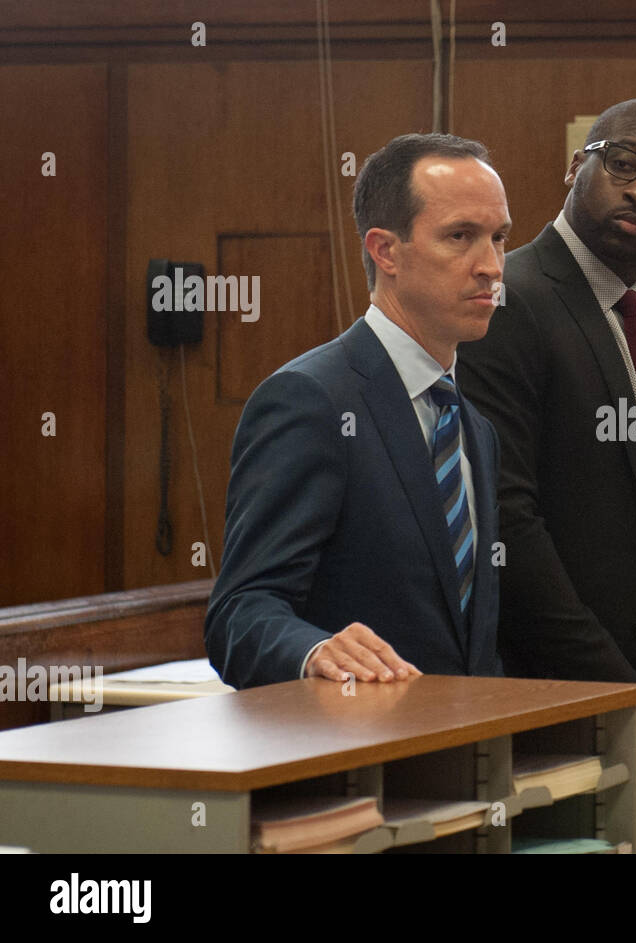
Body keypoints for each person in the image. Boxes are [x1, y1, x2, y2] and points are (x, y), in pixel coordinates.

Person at [458, 98, 636, 835]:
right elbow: (509, 523)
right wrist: (618, 696)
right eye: (625, 164)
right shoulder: (506, 301)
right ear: (576, 166)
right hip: (553, 700)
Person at [206, 133, 509, 689]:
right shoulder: (310, 399)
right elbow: (240, 614)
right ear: (385, 251)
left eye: (498, 237)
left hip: (463, 755)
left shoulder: (474, 426)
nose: (490, 265)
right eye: (460, 236)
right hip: (352, 758)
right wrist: (317, 649)